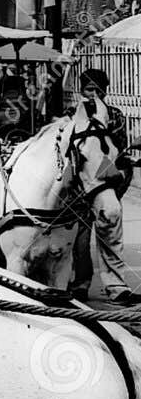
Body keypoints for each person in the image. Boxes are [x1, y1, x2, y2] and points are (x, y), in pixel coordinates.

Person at [70, 66, 139, 302]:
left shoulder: (115, 116)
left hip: (104, 183)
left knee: (109, 229)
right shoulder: (71, 116)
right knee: (79, 238)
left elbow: (115, 153)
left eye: (99, 91)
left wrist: (108, 178)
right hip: (77, 187)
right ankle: (79, 284)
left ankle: (117, 287)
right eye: (89, 90)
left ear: (106, 92)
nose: (94, 95)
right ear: (81, 90)